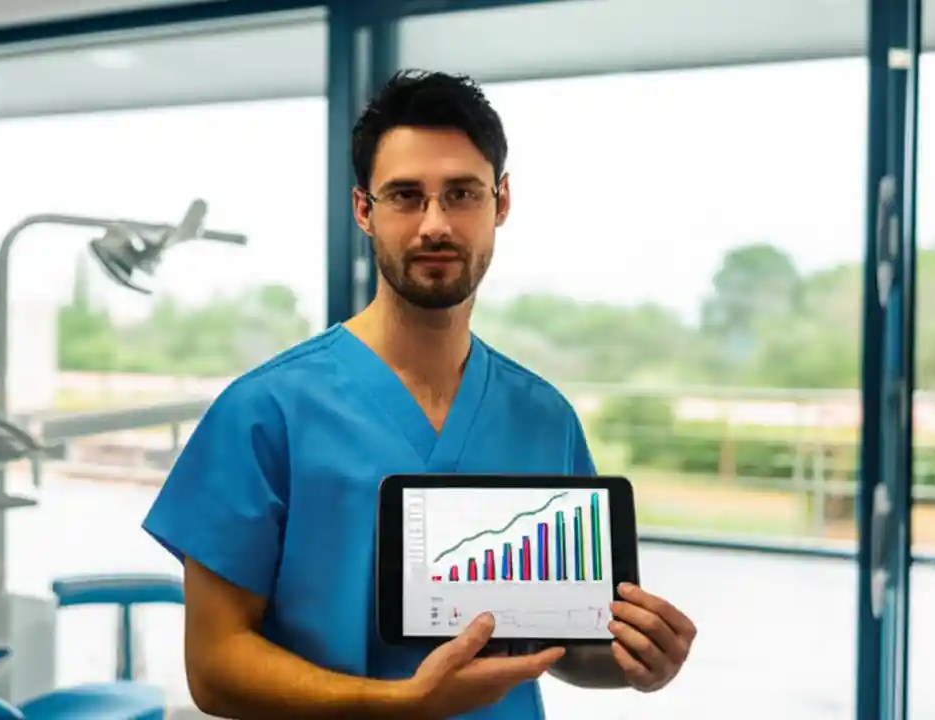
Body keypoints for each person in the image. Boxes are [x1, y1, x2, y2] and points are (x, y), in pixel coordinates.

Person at [142, 69, 697, 719]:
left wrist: (637, 662)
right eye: (406, 196)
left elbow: (566, 645)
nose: (435, 224)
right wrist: (400, 704)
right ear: (363, 211)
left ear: (502, 203)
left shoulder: (543, 418)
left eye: (461, 193)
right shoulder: (266, 413)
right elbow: (214, 667)